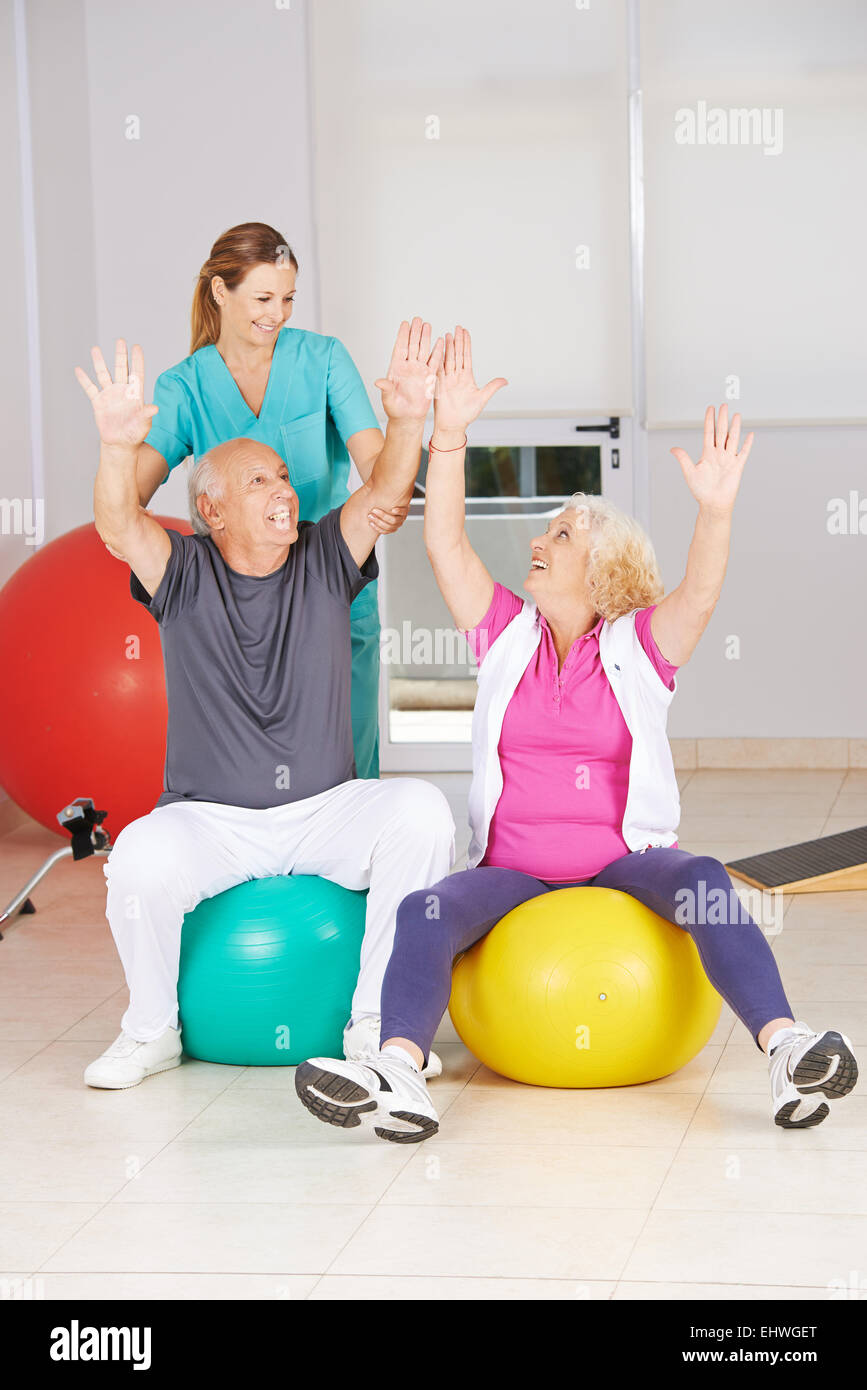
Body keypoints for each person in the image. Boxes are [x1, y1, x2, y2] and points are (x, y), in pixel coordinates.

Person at [295, 325, 859, 1142]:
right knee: (424, 908)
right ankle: (397, 1070)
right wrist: (446, 436)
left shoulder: (638, 649)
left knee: (704, 875)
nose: (537, 540)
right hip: (513, 870)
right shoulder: (503, 636)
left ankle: (784, 1047)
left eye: (560, 534)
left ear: (602, 571)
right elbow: (443, 540)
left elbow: (699, 593)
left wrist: (715, 511)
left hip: (623, 863)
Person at [73, 321, 455, 1090]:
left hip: (324, 811)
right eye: (259, 482)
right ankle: (151, 1031)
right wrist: (118, 446)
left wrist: (408, 418)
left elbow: (383, 497)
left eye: (283, 476)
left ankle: (379, 1028)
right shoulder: (180, 570)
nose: (283, 491)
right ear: (211, 511)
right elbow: (117, 524)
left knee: (423, 814)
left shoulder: (323, 554)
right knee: (138, 858)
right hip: (210, 821)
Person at [104, 220, 398, 779]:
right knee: (241, 768)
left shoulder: (325, 360)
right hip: (234, 606)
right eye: (263, 297)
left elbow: (379, 472)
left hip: (332, 587)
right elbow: (125, 507)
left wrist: (406, 428)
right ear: (221, 290)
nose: (279, 312)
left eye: (288, 298)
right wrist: (116, 445)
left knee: (348, 763)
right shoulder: (185, 387)